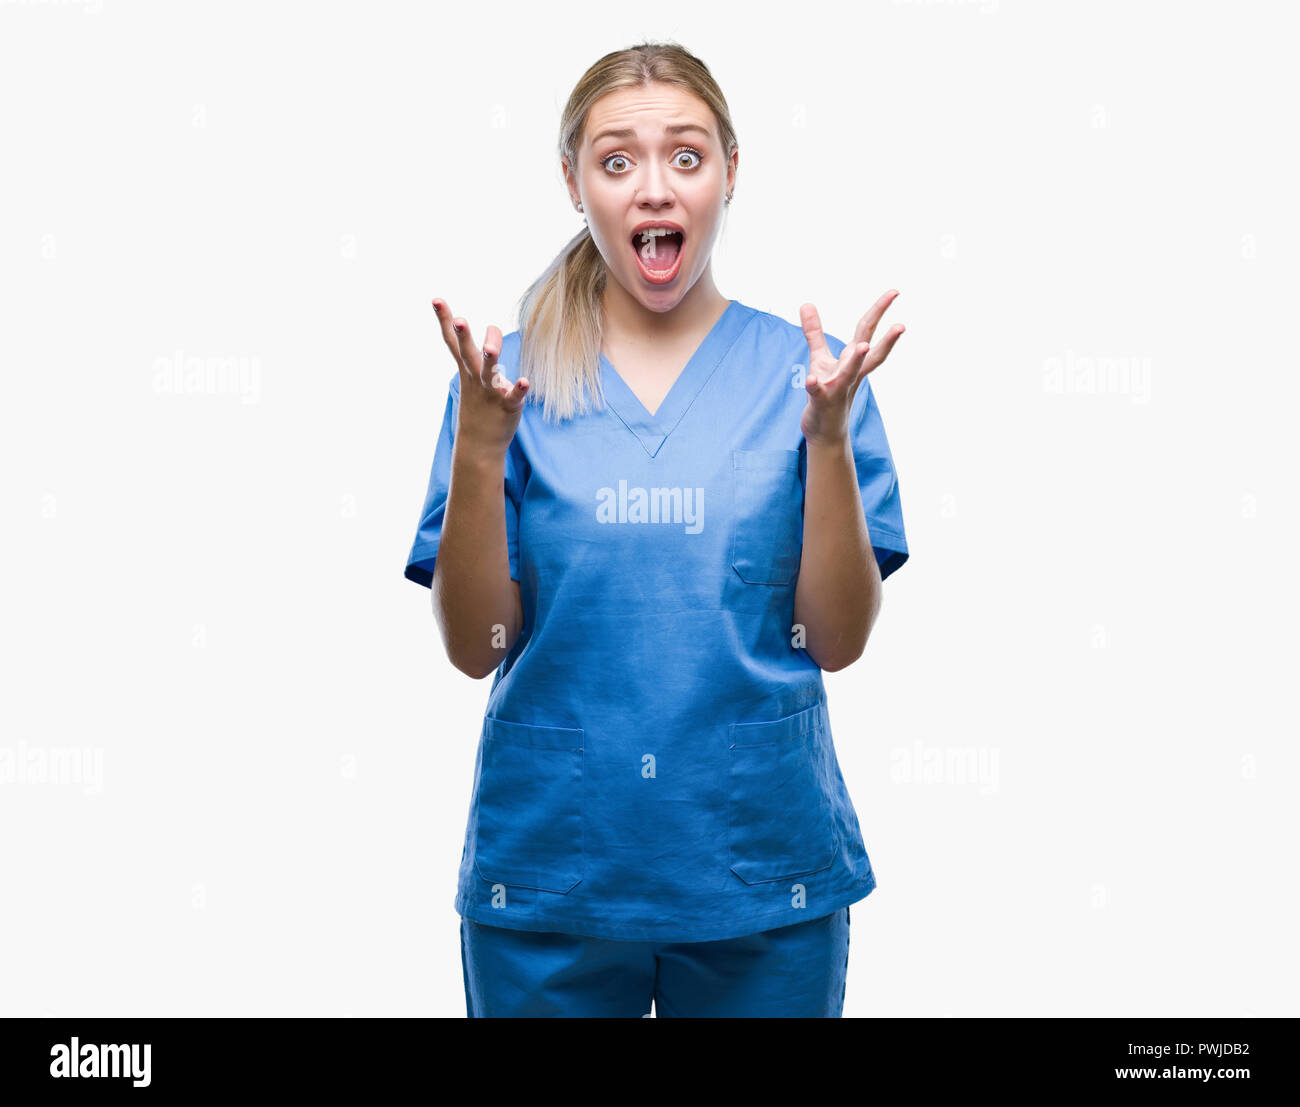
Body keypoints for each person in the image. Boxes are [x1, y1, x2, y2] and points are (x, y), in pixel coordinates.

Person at [405, 41, 909, 1018]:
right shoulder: (500, 384)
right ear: (572, 182)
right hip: (549, 875)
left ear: (729, 172)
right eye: (615, 160)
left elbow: (836, 642)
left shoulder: (810, 378)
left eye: (685, 156)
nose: (653, 190)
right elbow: (478, 649)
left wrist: (828, 443)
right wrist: (478, 450)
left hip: (762, 876)